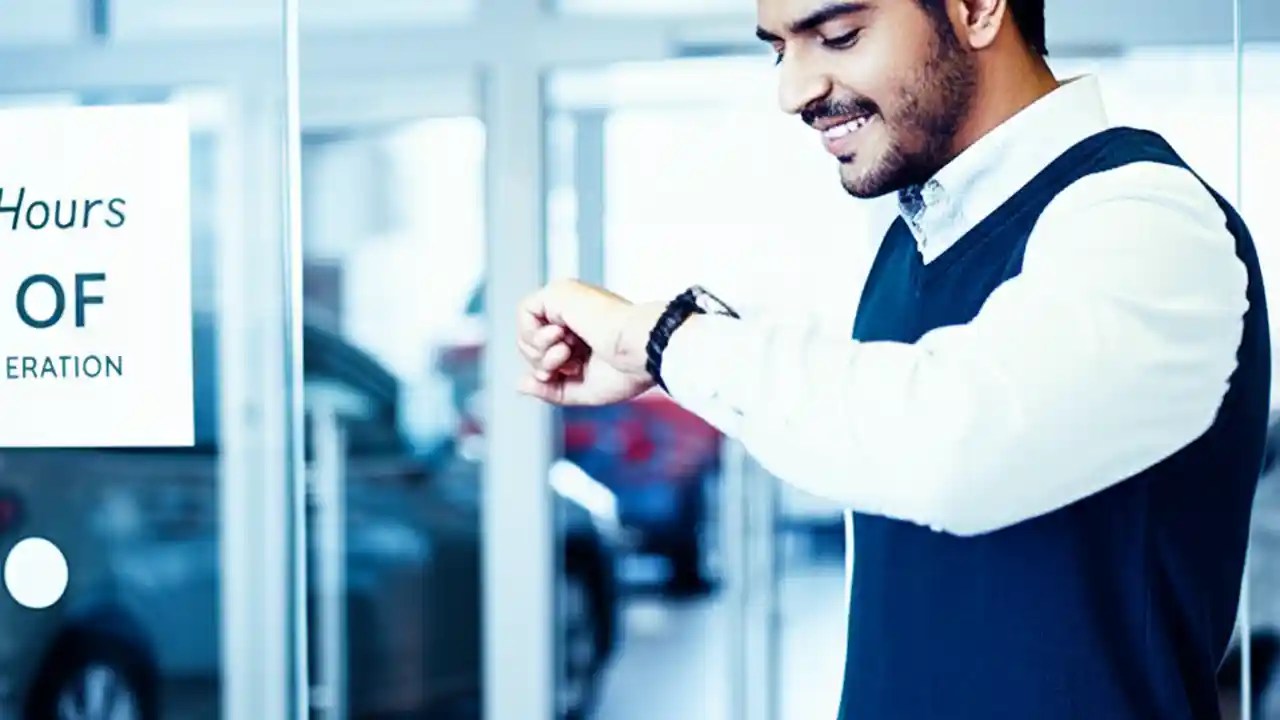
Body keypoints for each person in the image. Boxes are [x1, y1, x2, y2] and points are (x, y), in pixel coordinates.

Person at [516, 0, 1272, 717]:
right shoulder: (909, 244)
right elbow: (868, 416)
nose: (794, 90)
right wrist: (664, 360)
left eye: (839, 36)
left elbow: (956, 446)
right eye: (781, 50)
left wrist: (663, 336)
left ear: (977, 8)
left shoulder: (1147, 219)